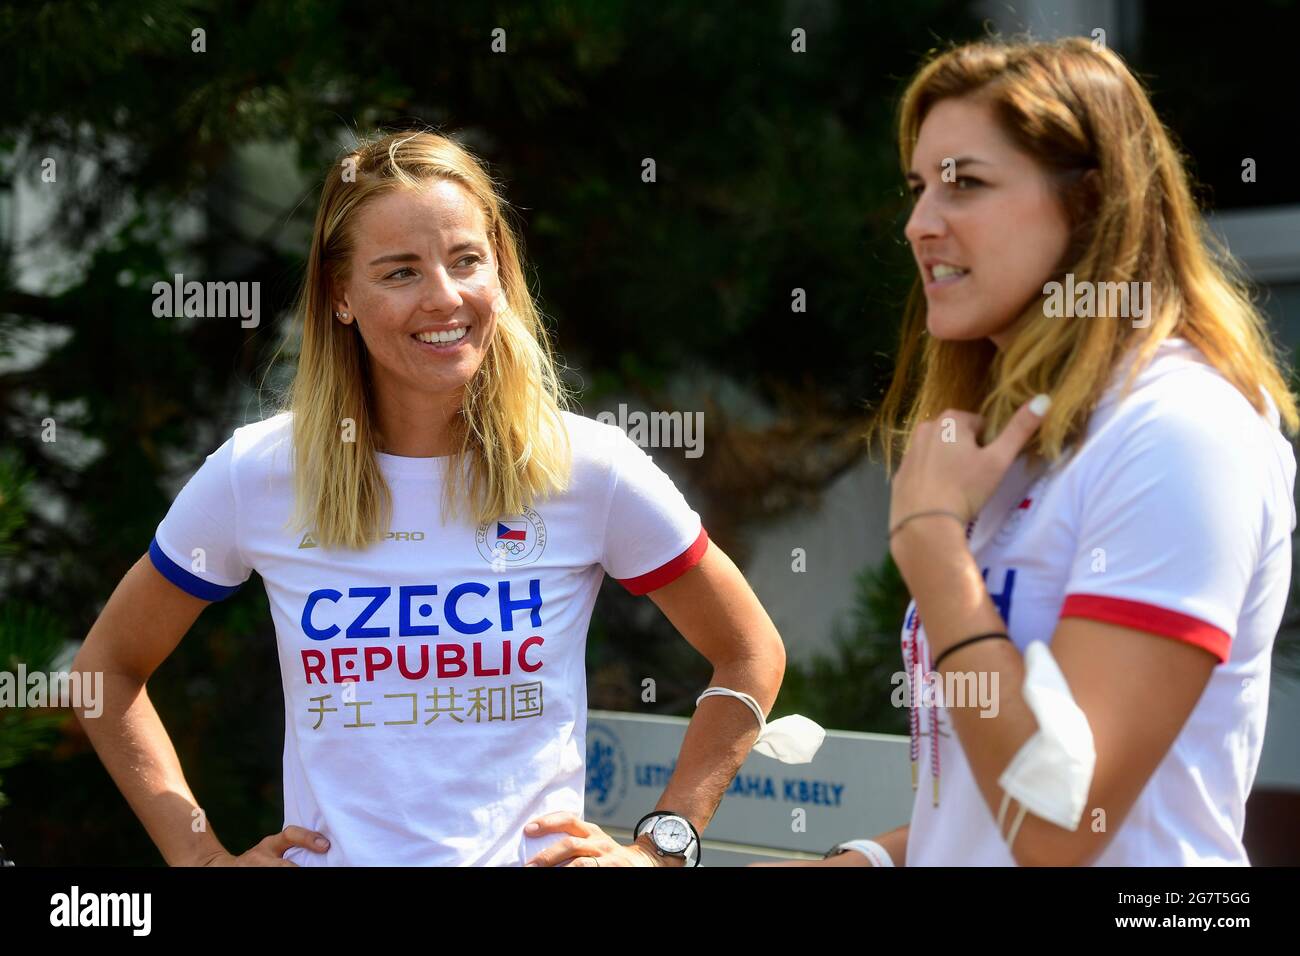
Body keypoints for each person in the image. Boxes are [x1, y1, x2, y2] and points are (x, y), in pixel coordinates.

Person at [72, 130, 788, 867]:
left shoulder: (585, 468)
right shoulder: (258, 474)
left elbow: (748, 650)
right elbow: (105, 671)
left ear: (501, 272)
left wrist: (663, 845)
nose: (444, 297)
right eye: (401, 272)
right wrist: (200, 858)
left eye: (466, 260)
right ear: (339, 294)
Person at [759, 37, 1297, 867]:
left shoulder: (1181, 431)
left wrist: (931, 543)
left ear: (1089, 204)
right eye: (917, 187)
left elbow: (1059, 823)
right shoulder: (1020, 436)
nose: (918, 224)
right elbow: (994, 806)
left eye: (964, 183)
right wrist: (871, 858)